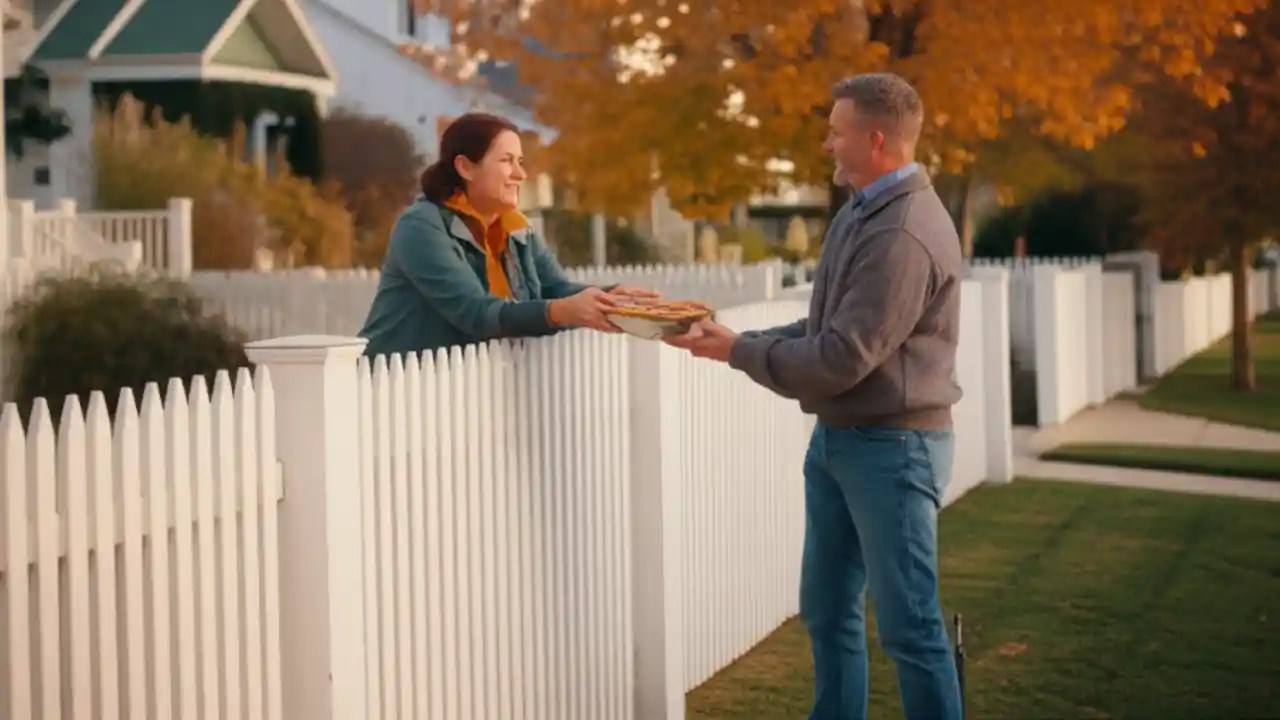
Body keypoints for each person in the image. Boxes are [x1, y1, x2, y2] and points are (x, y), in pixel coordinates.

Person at [665, 73, 964, 720]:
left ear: (875, 139)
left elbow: (840, 359)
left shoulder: (902, 233)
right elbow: (823, 325)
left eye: (837, 131)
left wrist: (737, 352)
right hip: (840, 443)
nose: (827, 143)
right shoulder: (863, 211)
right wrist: (735, 338)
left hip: (893, 449)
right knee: (827, 613)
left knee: (910, 629)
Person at [358, 112, 657, 357]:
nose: (520, 174)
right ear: (465, 167)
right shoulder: (421, 226)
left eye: (520, 162)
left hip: (463, 389)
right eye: (506, 161)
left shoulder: (515, 227)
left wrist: (610, 298)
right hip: (394, 393)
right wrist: (564, 311)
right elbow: (475, 312)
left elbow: (553, 290)